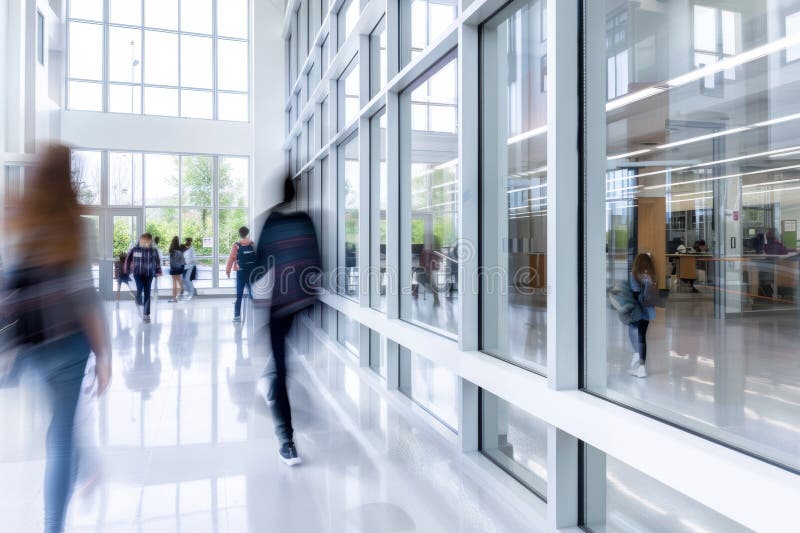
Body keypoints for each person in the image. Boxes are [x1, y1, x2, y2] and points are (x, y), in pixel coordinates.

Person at [1, 145, 112, 533]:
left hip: (30, 344)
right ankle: (54, 525)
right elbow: (85, 296)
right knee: (61, 433)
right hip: (69, 345)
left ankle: (84, 468)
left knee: (58, 424)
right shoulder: (72, 223)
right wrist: (103, 355)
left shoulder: (15, 216)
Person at [255, 177, 321, 466]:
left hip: (280, 303)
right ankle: (272, 377)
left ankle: (287, 442)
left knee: (280, 366)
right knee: (279, 354)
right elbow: (317, 262)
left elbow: (259, 264)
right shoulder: (306, 220)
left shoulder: (270, 221)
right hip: (302, 301)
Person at [628, 253, 656, 378]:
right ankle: (640, 363)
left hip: (638, 310)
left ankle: (640, 363)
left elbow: (635, 293)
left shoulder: (634, 275)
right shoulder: (651, 276)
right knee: (641, 336)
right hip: (648, 310)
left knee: (635, 335)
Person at [125, 233, 162, 322]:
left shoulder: (154, 250)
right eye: (145, 239)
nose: (147, 241)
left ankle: (146, 315)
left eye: (149, 239)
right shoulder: (135, 249)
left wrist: (158, 271)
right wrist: (126, 270)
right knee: (140, 289)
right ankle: (138, 298)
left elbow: (157, 261)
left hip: (149, 274)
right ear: (142, 239)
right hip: (138, 273)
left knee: (147, 293)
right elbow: (128, 259)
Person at [226, 226, 257, 323]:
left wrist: (228, 271)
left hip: (241, 274)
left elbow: (231, 258)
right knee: (252, 295)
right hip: (251, 274)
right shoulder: (253, 244)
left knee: (239, 296)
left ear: (240, 234)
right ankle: (254, 315)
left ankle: (237, 317)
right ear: (247, 234)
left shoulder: (236, 246)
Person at [167, 236, 185, 303]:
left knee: (174, 284)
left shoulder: (171, 251)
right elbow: (182, 261)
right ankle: (182, 289)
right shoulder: (179, 252)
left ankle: (175, 299)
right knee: (179, 282)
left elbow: (171, 261)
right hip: (179, 268)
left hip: (173, 269)